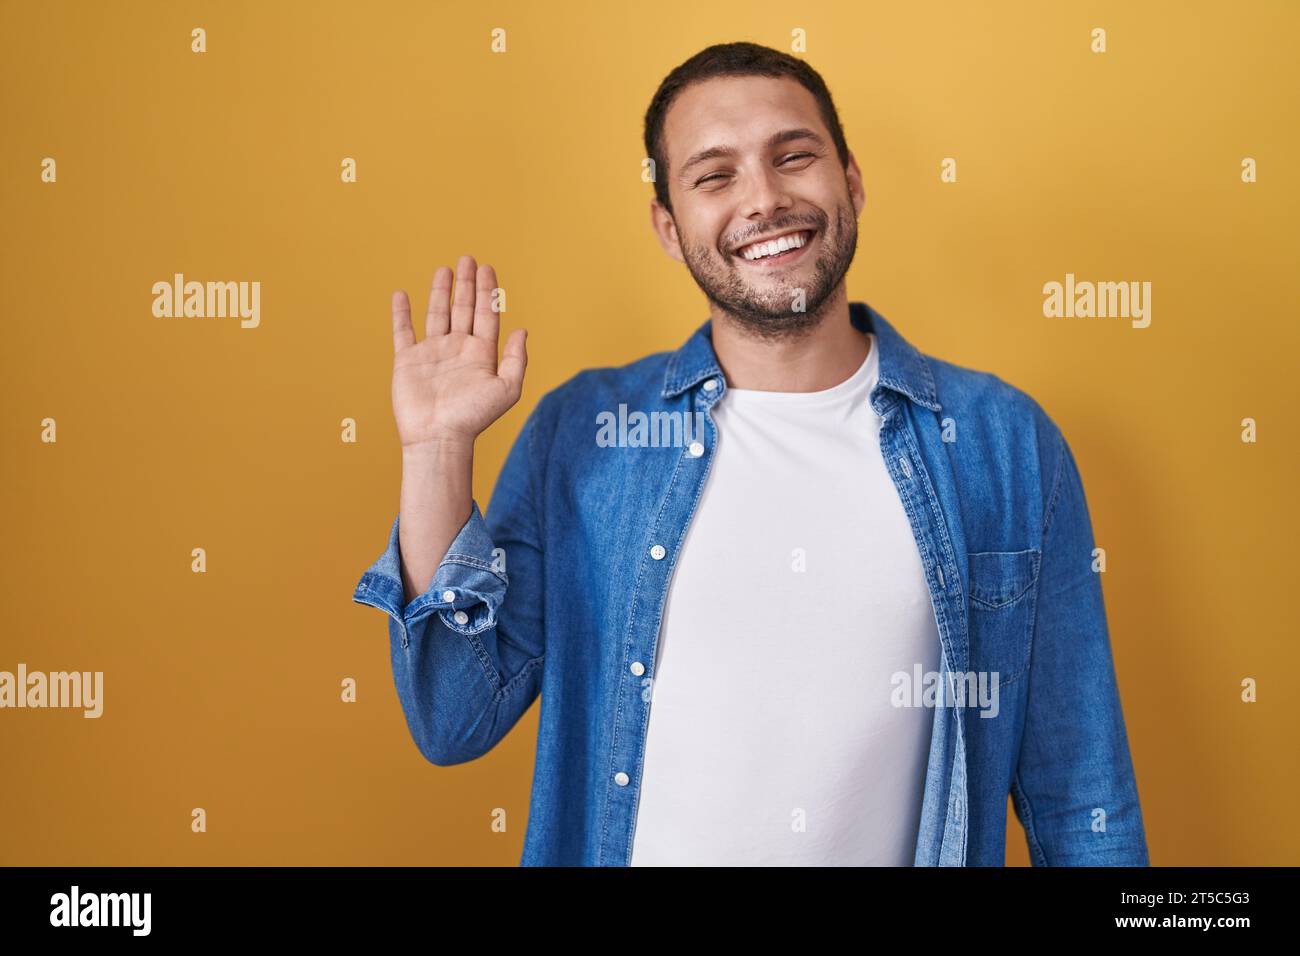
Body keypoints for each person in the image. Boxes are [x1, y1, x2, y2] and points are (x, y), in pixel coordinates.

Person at [353, 41, 1149, 867]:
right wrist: (438, 451)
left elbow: (1080, 794)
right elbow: (453, 719)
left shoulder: (1003, 443)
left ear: (852, 180)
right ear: (668, 226)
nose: (764, 200)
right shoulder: (586, 435)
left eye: (793, 156)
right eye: (714, 175)